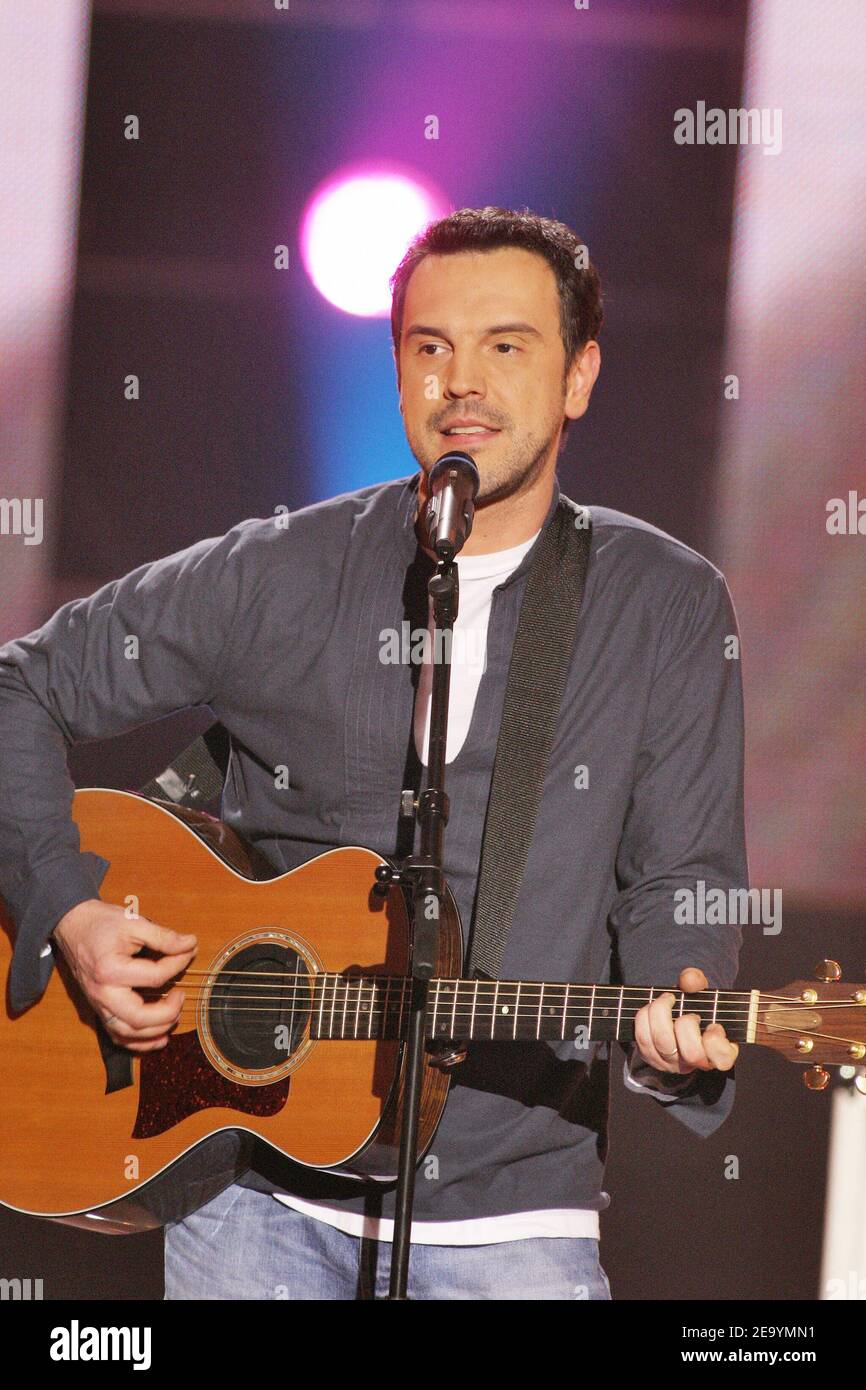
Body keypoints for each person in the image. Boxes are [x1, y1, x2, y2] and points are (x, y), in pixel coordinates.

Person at [0, 206, 745, 1301]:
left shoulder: (664, 604)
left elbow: (682, 873)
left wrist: (679, 1007)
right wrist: (67, 905)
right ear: (396, 370)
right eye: (429, 347)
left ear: (578, 376)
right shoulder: (281, 569)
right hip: (248, 1196)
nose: (462, 382)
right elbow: (21, 683)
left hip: (513, 1217)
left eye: (507, 344)